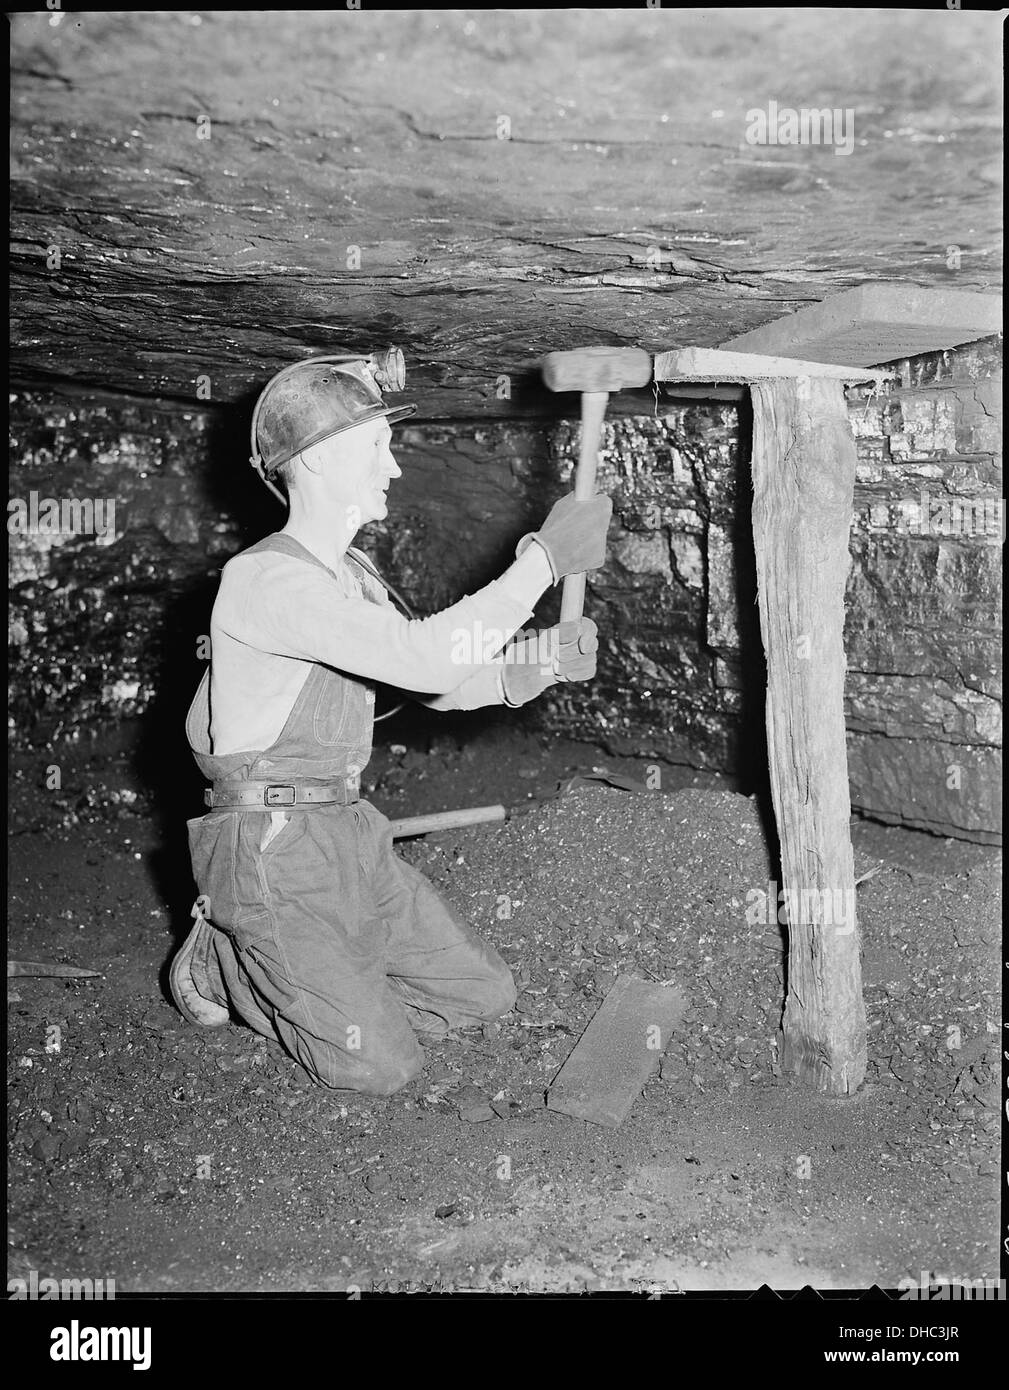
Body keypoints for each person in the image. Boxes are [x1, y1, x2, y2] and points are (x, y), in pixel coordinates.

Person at [170, 350, 611, 1095]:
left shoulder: (352, 578)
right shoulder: (263, 581)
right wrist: (540, 562)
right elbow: (427, 660)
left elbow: (433, 684)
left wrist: (526, 670)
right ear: (314, 460)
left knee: (483, 996)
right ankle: (225, 959)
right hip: (270, 853)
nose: (393, 469)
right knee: (380, 1065)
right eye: (377, 447)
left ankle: (317, 973)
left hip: (347, 832)